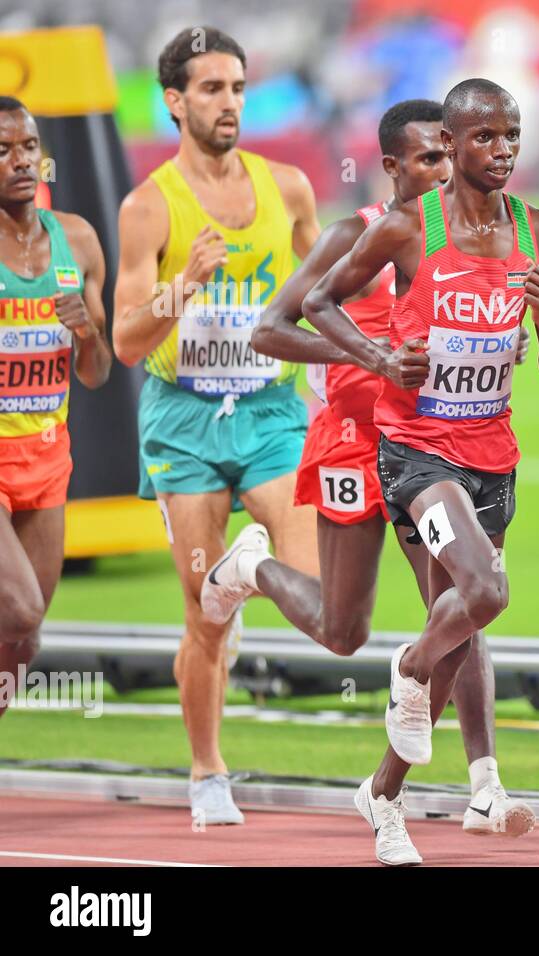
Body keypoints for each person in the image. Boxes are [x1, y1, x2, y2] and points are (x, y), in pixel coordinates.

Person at [202, 99, 536, 862]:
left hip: (434, 448)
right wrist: (371, 353)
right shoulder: (359, 234)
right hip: (355, 443)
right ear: (391, 167)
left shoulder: (471, 237)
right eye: (426, 161)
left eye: (446, 161)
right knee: (346, 633)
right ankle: (253, 565)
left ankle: (481, 784)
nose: (442, 174)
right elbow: (272, 327)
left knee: (461, 603)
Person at [302, 77, 539, 865]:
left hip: (494, 454)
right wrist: (380, 356)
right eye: (486, 137)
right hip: (417, 452)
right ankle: (409, 667)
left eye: (513, 135)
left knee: (459, 630)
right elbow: (319, 302)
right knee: (483, 592)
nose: (503, 151)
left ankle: (385, 792)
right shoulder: (405, 229)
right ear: (451, 146)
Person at [112, 27, 321, 825]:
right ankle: (207, 773)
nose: (230, 102)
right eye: (211, 89)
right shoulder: (148, 207)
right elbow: (128, 339)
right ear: (175, 102)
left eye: (237, 87)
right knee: (203, 616)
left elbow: (326, 282)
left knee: (312, 578)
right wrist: (184, 285)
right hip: (185, 419)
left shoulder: (290, 188)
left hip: (268, 409)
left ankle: (244, 570)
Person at [0, 97, 112, 719]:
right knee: (18, 607)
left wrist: (86, 333)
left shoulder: (77, 239)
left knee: (23, 636)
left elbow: (95, 375)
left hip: (47, 456)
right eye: (2, 150)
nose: (20, 161)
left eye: (27, 146)